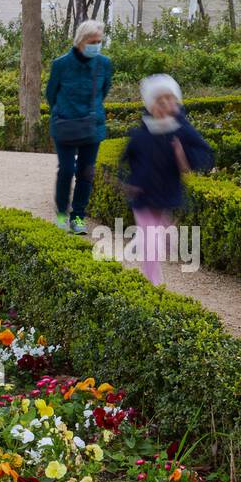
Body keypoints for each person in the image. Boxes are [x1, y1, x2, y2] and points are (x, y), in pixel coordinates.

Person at [118, 74, 214, 287]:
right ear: (151, 106)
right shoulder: (140, 134)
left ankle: (145, 237)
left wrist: (183, 156)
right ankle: (154, 283)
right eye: (160, 101)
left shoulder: (182, 129)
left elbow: (205, 153)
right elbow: (125, 159)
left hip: (166, 194)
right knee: (153, 242)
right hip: (142, 195)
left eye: (171, 100)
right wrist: (127, 181)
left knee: (161, 237)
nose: (166, 106)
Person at [46, 20, 113, 234]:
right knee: (66, 170)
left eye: (99, 41)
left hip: (92, 126)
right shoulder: (61, 64)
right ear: (80, 41)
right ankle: (61, 214)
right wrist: (63, 110)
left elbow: (105, 89)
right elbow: (51, 93)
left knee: (86, 173)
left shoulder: (104, 64)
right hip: (65, 124)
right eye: (92, 41)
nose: (96, 45)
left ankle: (78, 217)